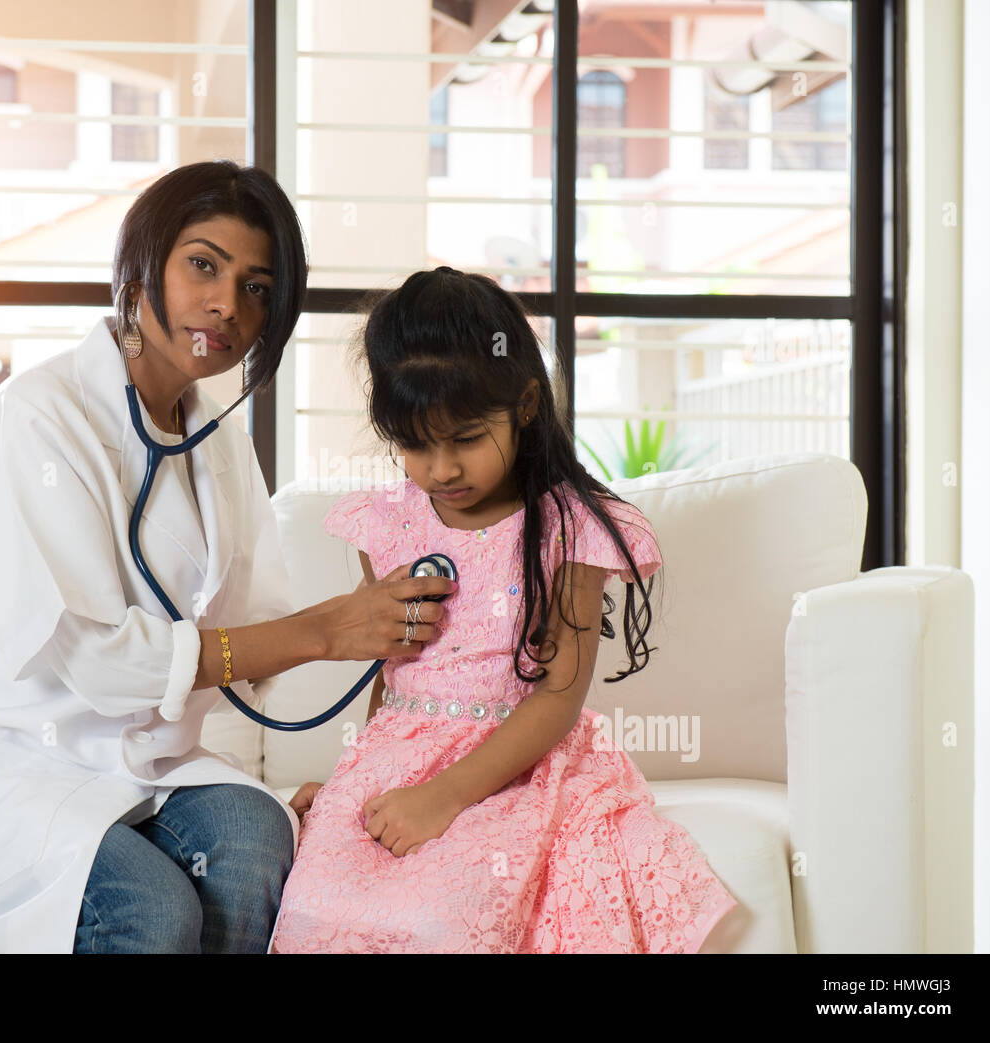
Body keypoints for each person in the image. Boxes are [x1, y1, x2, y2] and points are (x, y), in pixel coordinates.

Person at [0, 161, 455, 954]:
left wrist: (382, 626)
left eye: (258, 287)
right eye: (203, 264)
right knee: (153, 908)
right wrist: (330, 629)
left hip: (145, 766)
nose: (228, 303)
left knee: (258, 837)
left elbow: (253, 643)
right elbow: (99, 665)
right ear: (141, 264)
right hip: (2, 755)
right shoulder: (37, 417)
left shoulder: (219, 442)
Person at [270, 267, 739, 953]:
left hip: (510, 756)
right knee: (311, 907)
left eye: (463, 438)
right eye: (414, 445)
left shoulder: (569, 528)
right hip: (397, 754)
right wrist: (350, 779)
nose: (441, 469)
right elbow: (391, 667)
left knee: (450, 916)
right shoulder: (388, 524)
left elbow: (558, 698)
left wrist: (445, 795)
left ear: (522, 405)